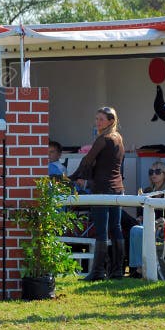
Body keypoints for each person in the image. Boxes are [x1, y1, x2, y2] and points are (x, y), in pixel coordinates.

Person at [69, 106, 125, 281]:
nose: (98, 122)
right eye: (97, 119)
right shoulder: (119, 138)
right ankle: (117, 272)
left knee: (102, 230)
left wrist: (73, 177)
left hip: (102, 189)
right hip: (118, 189)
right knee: (116, 228)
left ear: (110, 121)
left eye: (101, 119)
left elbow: (87, 161)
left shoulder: (103, 139)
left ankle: (98, 272)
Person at [128, 161, 165, 278]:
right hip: (145, 224)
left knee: (136, 230)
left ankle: (138, 269)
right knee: (130, 226)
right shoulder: (147, 191)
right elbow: (139, 212)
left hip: (161, 228)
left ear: (164, 174)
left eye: (158, 171)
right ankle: (136, 267)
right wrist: (140, 217)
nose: (154, 174)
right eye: (151, 172)